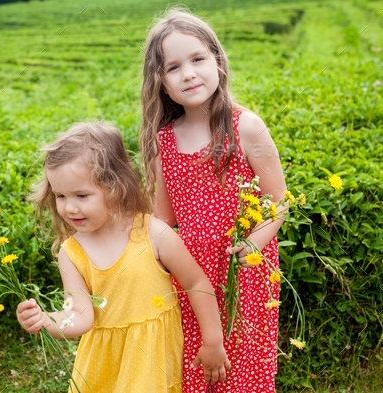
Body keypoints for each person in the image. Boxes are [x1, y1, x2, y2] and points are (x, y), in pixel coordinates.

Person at [16, 121, 230, 393]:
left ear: (116, 187)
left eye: (82, 195)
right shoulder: (72, 253)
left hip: (152, 360)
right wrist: (46, 321)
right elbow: (80, 316)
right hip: (103, 365)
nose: (69, 207)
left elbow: (197, 283)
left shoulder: (153, 233)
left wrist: (212, 341)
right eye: (60, 196)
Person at [139, 7, 287, 393]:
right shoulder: (163, 142)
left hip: (245, 269)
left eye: (198, 59)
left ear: (218, 63)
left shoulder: (246, 127)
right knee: (200, 365)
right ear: (161, 83)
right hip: (192, 276)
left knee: (244, 367)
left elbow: (278, 202)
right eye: (173, 67)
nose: (188, 73)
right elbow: (163, 218)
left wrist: (254, 241)